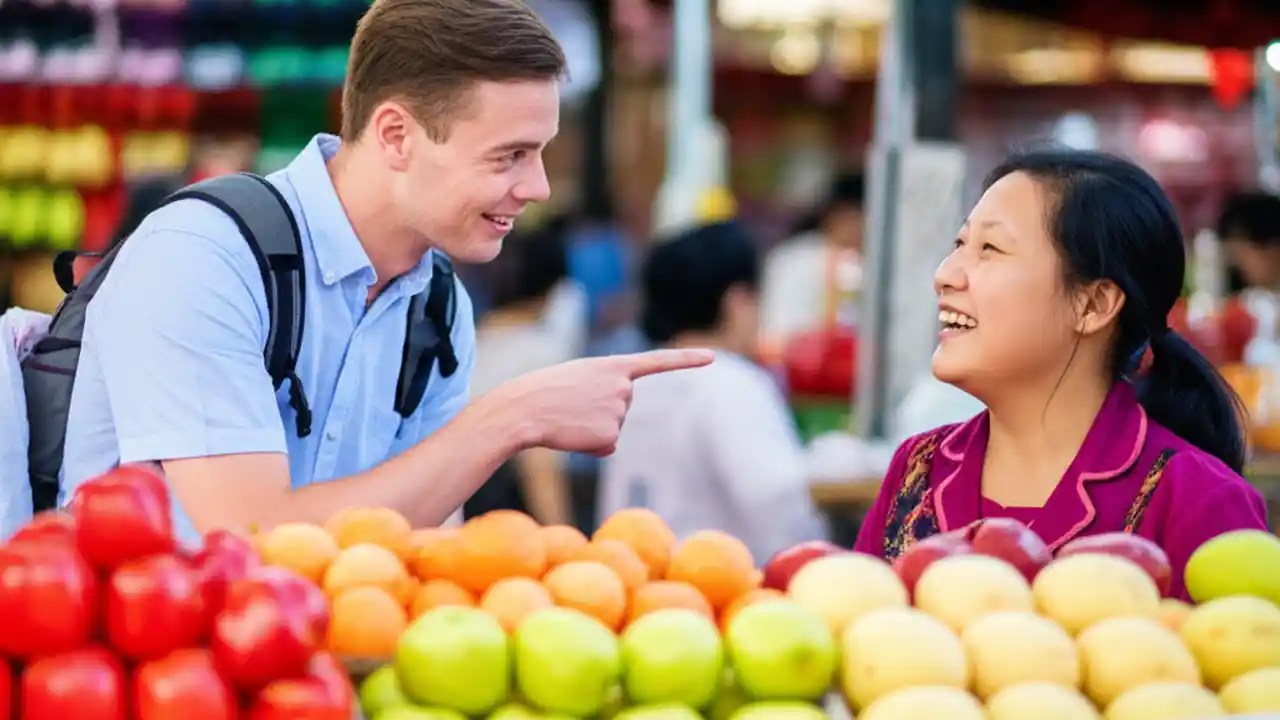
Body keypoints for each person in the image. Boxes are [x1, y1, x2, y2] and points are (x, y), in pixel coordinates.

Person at [57, 0, 711, 543]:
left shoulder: (438, 305)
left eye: (540, 153)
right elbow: (248, 539)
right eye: (510, 155)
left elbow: (413, 549)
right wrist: (512, 417)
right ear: (396, 135)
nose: (538, 187)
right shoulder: (206, 253)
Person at [853, 149, 1270, 601]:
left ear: (1093, 305)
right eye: (960, 245)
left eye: (990, 249)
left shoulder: (1198, 498)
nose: (945, 275)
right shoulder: (918, 469)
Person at [599, 221, 829, 563]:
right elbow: (776, 500)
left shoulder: (636, 381)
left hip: (629, 582)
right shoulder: (731, 381)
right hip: (721, 591)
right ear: (737, 301)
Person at [465, 219, 580, 525]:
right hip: (511, 521)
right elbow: (539, 462)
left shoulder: (472, 337)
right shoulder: (540, 353)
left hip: (458, 507)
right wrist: (562, 535)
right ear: (555, 287)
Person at [759, 171, 865, 345]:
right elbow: (777, 332)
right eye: (859, 219)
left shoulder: (863, 263)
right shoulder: (796, 259)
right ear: (837, 215)